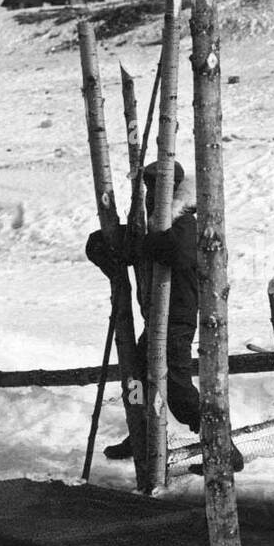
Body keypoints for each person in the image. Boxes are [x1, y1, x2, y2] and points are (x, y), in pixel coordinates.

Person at [87, 161, 242, 472]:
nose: (150, 197)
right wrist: (110, 247)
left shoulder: (185, 223)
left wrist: (140, 244)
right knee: (138, 379)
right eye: (148, 190)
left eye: (157, 190)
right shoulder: (156, 225)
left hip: (176, 322)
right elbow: (107, 245)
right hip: (156, 320)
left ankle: (226, 451)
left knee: (178, 389)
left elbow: (177, 252)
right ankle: (141, 435)